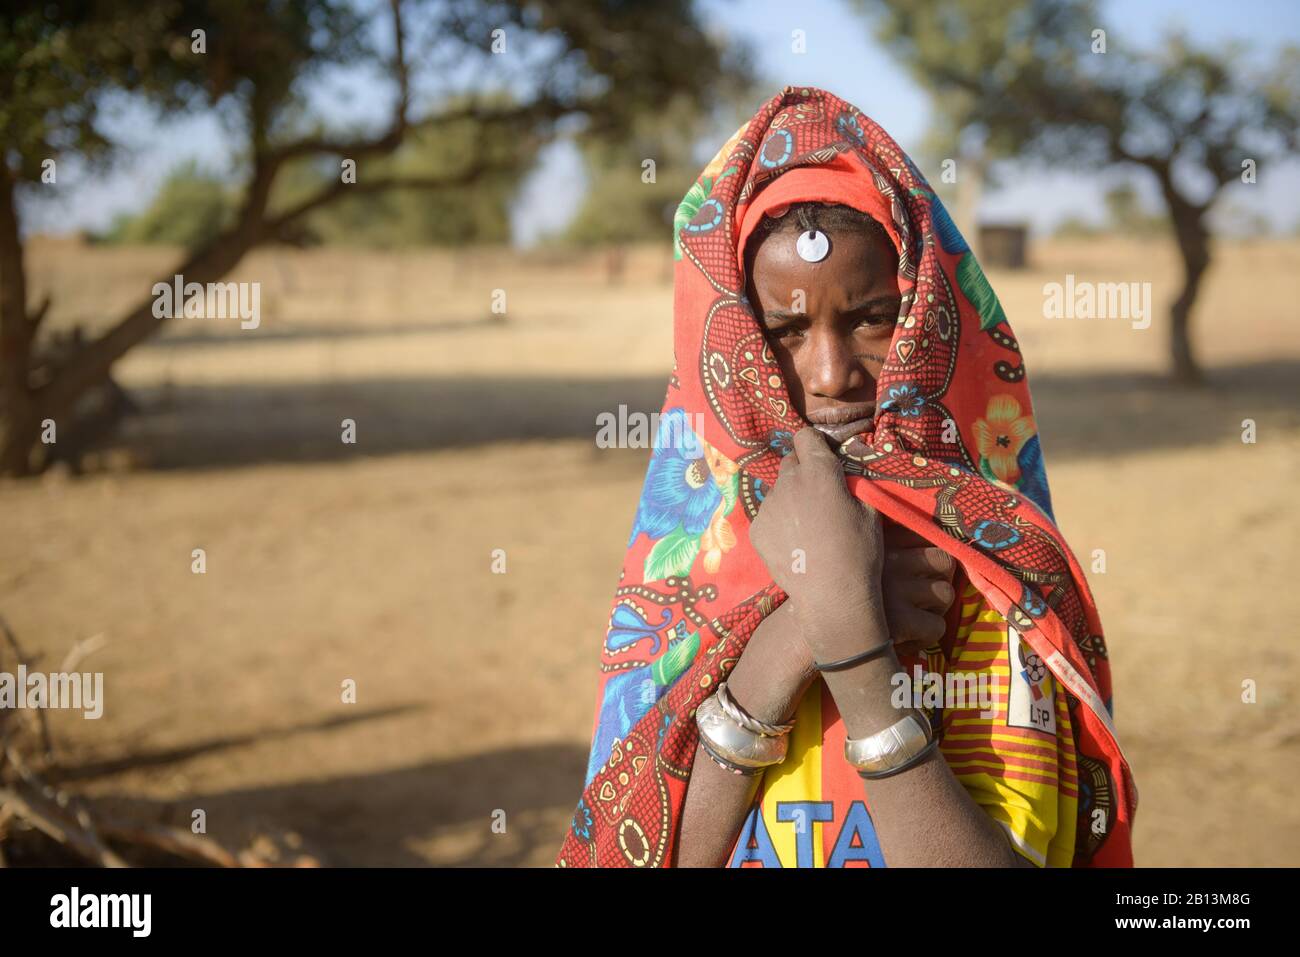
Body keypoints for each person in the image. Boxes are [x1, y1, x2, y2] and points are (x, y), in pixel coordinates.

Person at [557, 86, 1136, 868]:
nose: (832, 375)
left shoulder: (981, 571)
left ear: (927, 314)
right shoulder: (693, 558)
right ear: (731, 343)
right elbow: (642, 850)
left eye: (870, 316)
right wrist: (806, 627)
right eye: (787, 330)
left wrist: (859, 663)